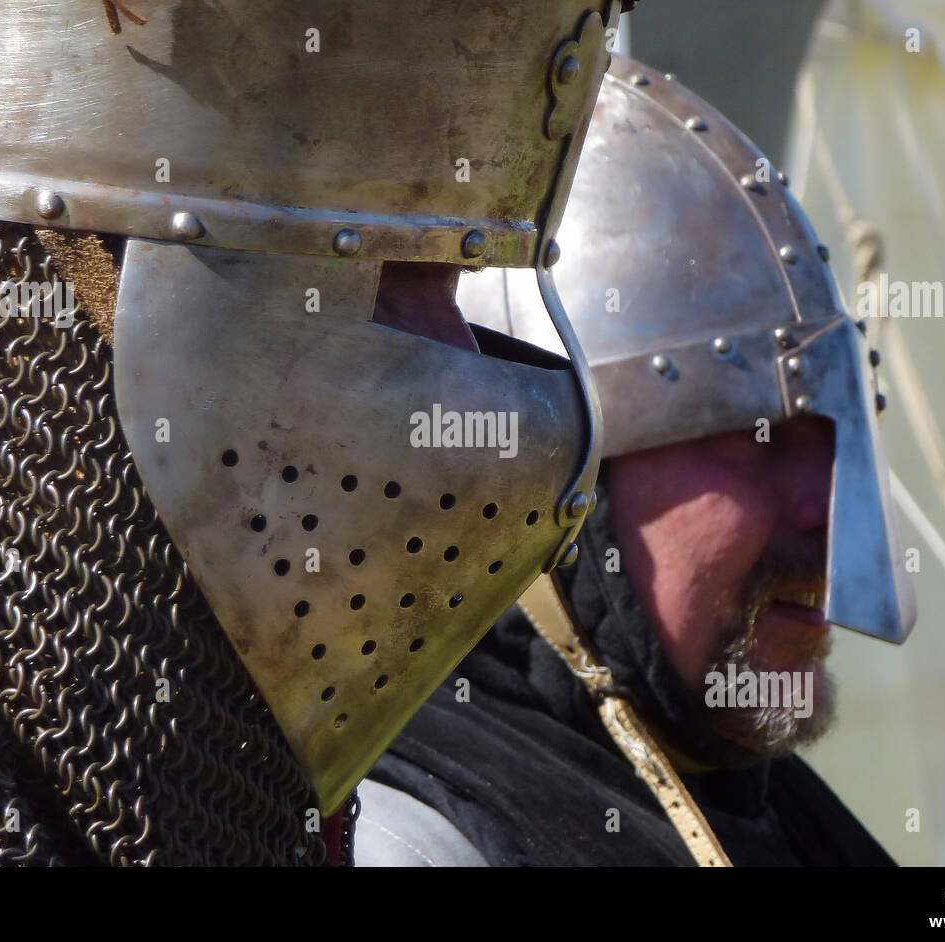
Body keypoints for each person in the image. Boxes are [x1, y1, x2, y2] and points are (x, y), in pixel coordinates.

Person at [0, 0, 631, 866]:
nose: (461, 364)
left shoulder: (211, 775)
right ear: (53, 273)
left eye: (459, 280)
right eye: (372, 269)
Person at [361, 56, 915, 867]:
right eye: (754, 439)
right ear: (550, 484)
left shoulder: (779, 812)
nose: (827, 514)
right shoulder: (414, 840)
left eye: (835, 443)